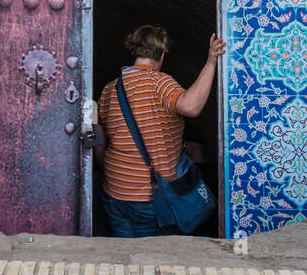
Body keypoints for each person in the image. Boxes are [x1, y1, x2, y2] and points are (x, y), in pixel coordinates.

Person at [93, 24, 225, 238]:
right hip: (150, 198)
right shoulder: (161, 84)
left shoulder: (110, 89)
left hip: (114, 192)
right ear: (162, 55)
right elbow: (191, 107)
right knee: (151, 258)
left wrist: (104, 167)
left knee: (124, 254)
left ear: (134, 51)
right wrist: (211, 61)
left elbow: (100, 136)